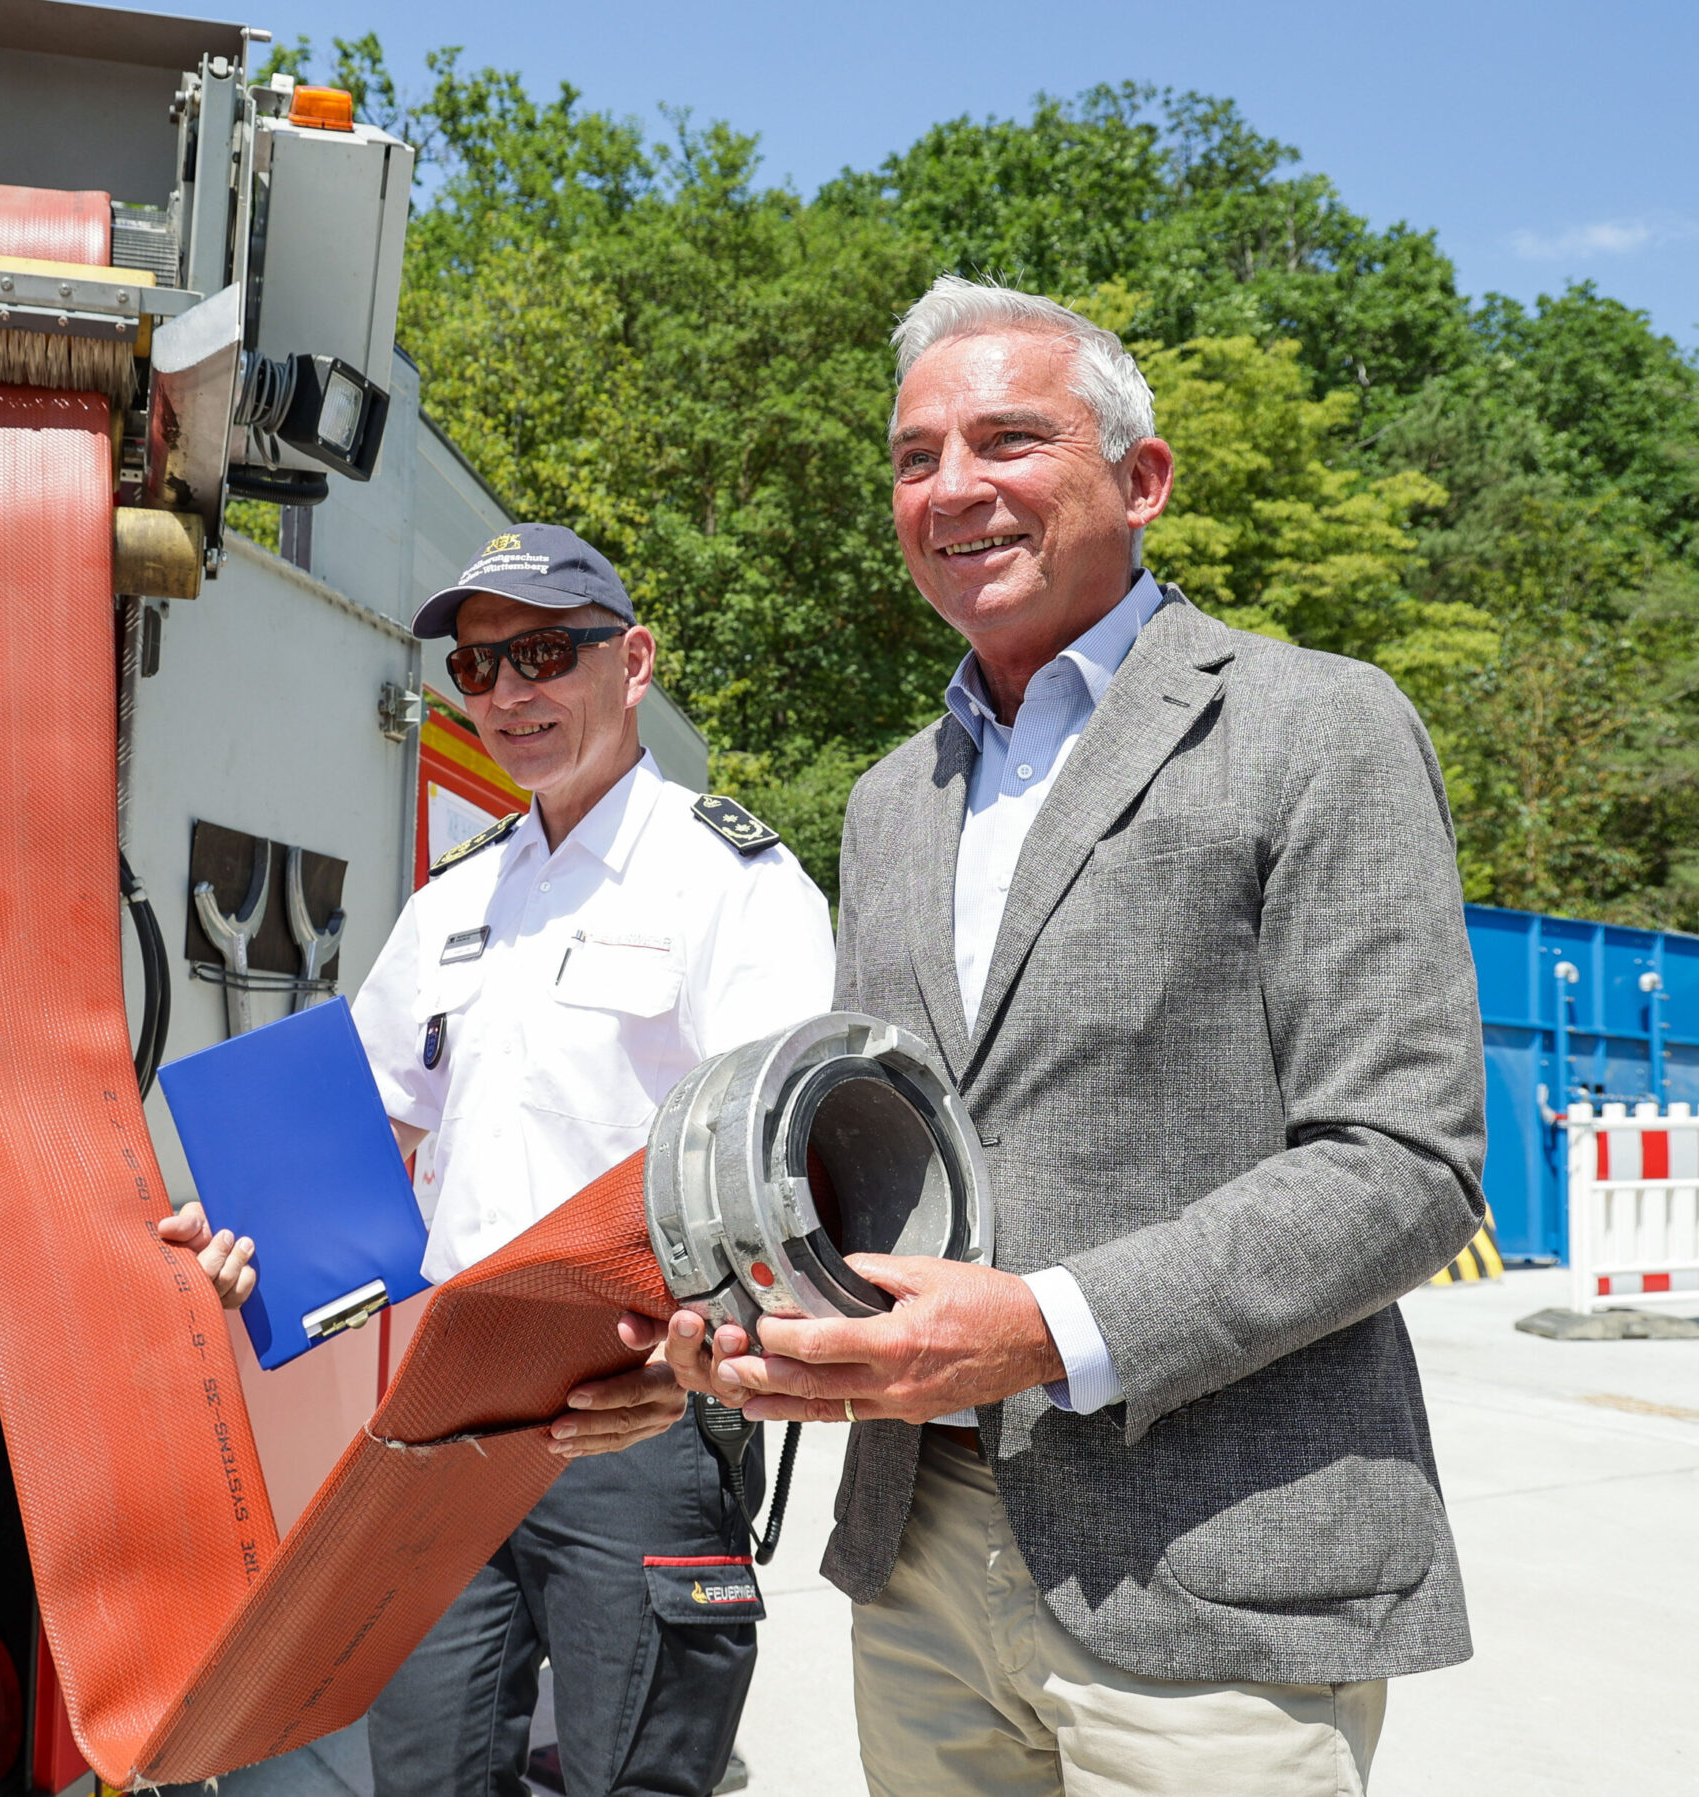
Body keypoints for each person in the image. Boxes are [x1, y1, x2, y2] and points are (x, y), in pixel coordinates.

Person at [636, 276, 1487, 1796]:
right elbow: (882, 1150)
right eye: (914, 458)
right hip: (919, 1554)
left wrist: (1045, 1327)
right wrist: (765, 1318)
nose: (951, 486)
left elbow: (1404, 1162)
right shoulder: (890, 801)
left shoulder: (1317, 724)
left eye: (1008, 440)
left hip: (1211, 1572)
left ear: (1141, 480)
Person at [162, 523, 836, 1797]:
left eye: (543, 654)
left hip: (635, 1410)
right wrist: (248, 1224)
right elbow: (377, 1124)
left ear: (632, 662)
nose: (506, 692)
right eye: (476, 667)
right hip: (451, 1416)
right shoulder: (455, 901)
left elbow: (783, 1160)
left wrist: (703, 1369)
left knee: (633, 1782)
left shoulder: (732, 883)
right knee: (424, 1772)